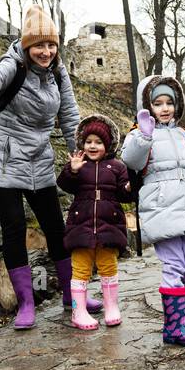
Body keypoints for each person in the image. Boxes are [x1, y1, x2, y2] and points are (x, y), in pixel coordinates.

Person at [0, 5, 101, 329]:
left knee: (57, 228)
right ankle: (26, 304)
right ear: (27, 46)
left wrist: (80, 157)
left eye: (51, 45)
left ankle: (73, 296)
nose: (46, 51)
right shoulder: (14, 63)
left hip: (39, 157)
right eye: (39, 45)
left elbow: (70, 114)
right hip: (4, 156)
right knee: (14, 228)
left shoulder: (58, 71)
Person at [121, 75, 185, 347]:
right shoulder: (139, 135)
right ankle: (173, 327)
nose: (164, 108)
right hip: (162, 210)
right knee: (174, 266)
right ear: (147, 105)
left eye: (169, 102)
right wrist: (144, 135)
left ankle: (184, 316)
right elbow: (132, 160)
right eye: (157, 102)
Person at [57, 114, 132, 329]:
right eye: (89, 141)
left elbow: (126, 194)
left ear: (107, 145)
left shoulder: (117, 167)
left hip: (109, 226)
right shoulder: (79, 165)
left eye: (98, 142)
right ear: (82, 143)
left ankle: (111, 306)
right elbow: (64, 184)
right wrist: (72, 170)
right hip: (81, 226)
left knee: (108, 266)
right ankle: (78, 311)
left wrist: (130, 187)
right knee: (80, 269)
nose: (93, 146)